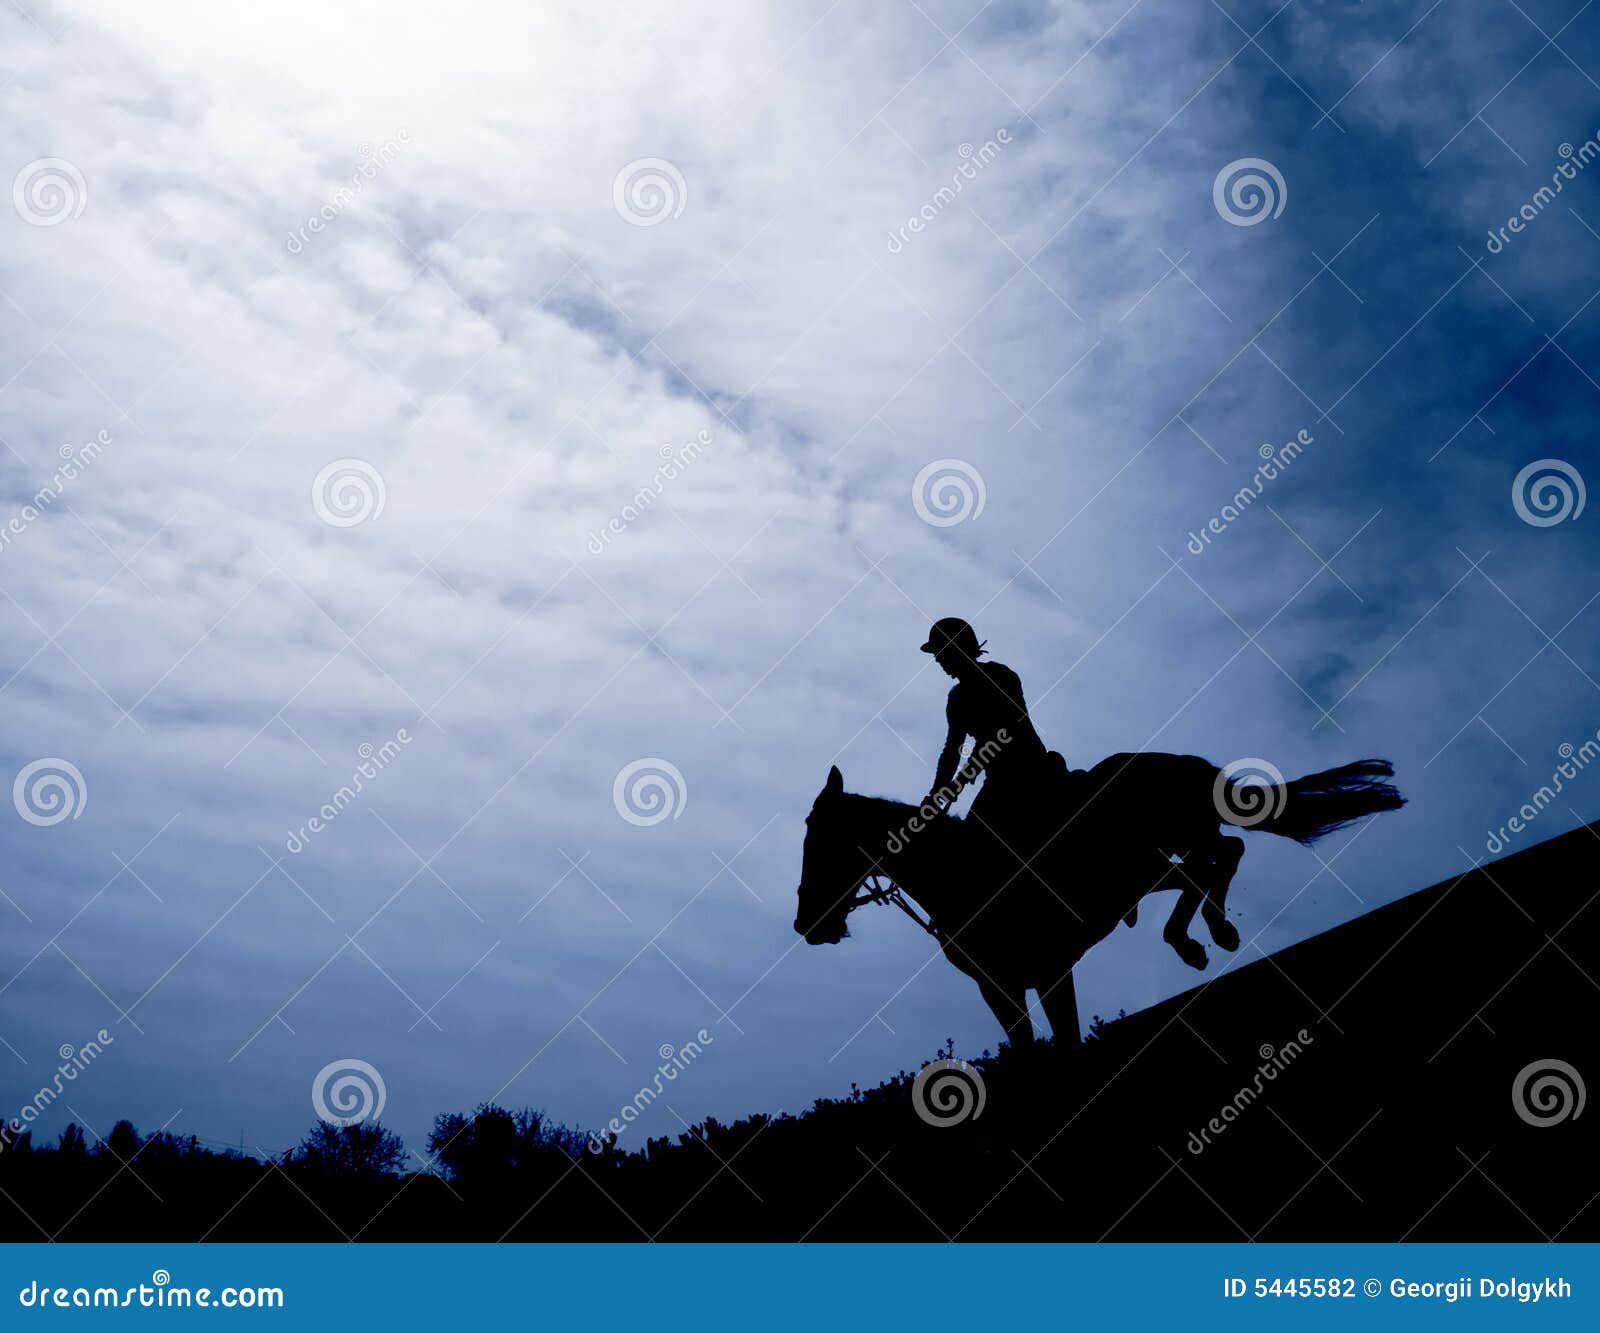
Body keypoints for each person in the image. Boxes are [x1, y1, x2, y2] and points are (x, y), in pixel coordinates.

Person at [919, 618, 1058, 848]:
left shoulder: (1000, 676)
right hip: (998, 779)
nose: (937, 659)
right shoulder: (956, 700)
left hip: (1030, 769)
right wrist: (936, 793)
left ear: (957, 649)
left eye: (941, 652)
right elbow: (952, 750)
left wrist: (965, 775)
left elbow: (1006, 730)